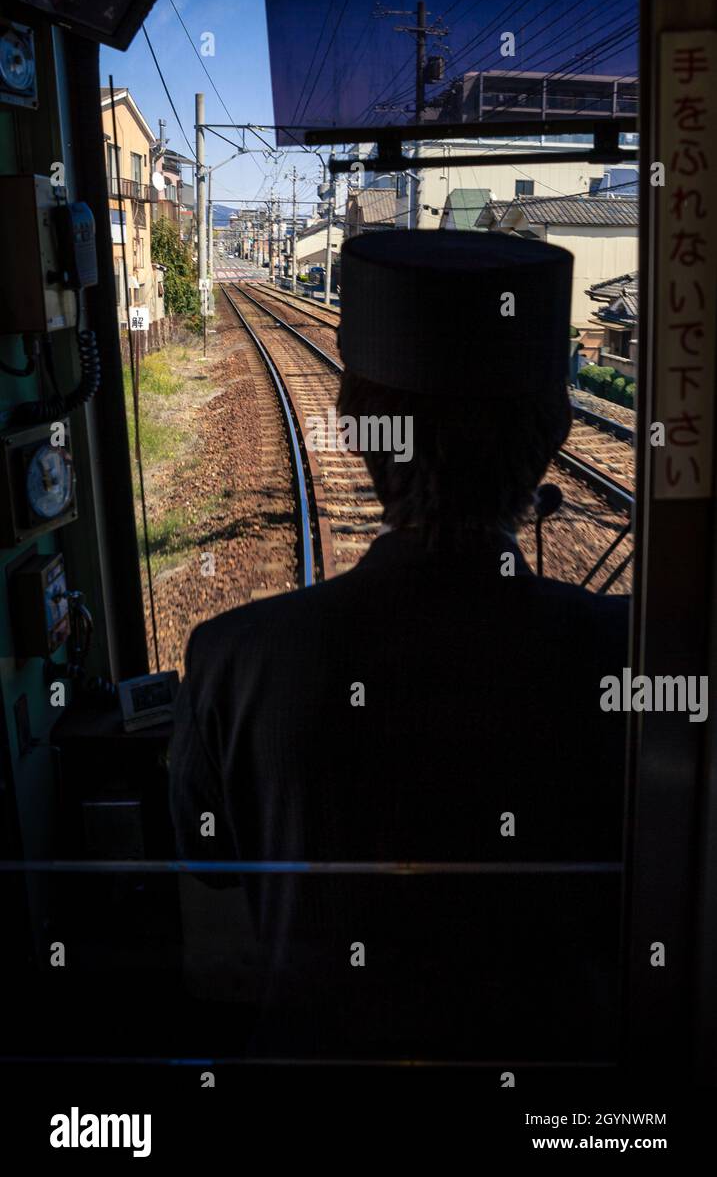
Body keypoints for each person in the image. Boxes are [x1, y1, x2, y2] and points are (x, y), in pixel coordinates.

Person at [169, 231, 628, 1062]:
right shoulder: (631, 658)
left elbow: (209, 865)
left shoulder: (231, 658)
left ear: (354, 429)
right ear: (552, 433)